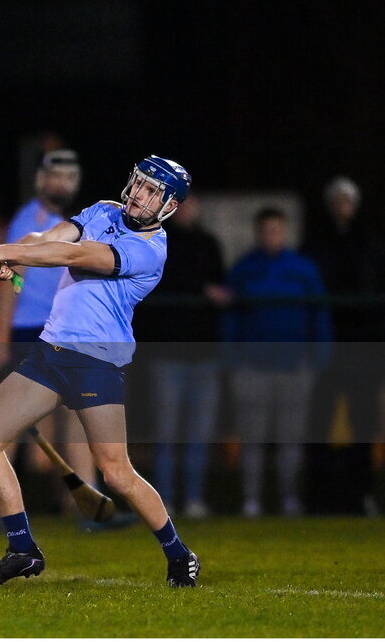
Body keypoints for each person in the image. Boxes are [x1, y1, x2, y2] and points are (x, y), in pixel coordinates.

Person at [0, 155, 201, 588]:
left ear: (168, 206)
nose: (139, 195)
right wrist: (17, 257)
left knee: (115, 472)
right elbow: (49, 236)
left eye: (152, 191)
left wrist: (6, 251)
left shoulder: (149, 251)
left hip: (96, 362)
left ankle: (178, 552)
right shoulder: (103, 211)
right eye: (139, 184)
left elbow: (73, 254)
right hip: (50, 353)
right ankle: (22, 550)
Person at [0, 148, 129, 532]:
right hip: (29, 329)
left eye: (70, 176)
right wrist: (0, 337)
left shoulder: (78, 222)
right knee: (14, 426)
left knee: (77, 418)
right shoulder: (27, 220)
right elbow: (7, 283)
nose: (62, 182)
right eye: (56, 175)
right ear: (41, 181)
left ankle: (87, 504)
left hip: (66, 331)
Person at [224, 207, 331, 518]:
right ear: (258, 232)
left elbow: (319, 315)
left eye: (277, 229)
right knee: (253, 440)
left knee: (291, 440)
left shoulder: (303, 268)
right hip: (251, 367)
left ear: (285, 232)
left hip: (294, 366)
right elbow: (231, 317)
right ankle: (252, 500)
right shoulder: (244, 268)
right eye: (266, 229)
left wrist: (318, 358)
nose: (271, 235)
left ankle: (289, 499)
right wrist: (232, 360)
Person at [137, 190, 230, 519]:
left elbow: (222, 288)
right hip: (167, 353)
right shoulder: (157, 241)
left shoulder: (209, 243)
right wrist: (200, 289)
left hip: (204, 353)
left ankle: (193, 499)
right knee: (165, 432)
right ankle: (160, 501)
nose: (188, 209)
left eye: (193, 202)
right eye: (182, 203)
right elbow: (156, 285)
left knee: (198, 435)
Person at [301, 177, 382, 515]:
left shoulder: (371, 244)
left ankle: (361, 494)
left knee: (363, 424)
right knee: (319, 424)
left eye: (347, 200)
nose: (342, 207)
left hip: (362, 346)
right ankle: (319, 497)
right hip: (326, 346)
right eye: (337, 200)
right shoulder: (316, 244)